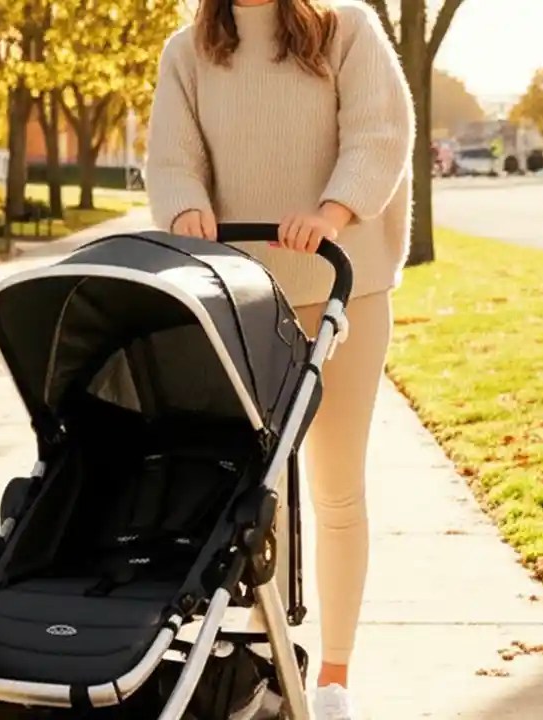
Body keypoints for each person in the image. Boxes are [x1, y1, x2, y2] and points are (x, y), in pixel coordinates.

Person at [144, 0, 415, 717]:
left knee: (335, 487)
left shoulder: (345, 29)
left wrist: (330, 215)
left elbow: (379, 135)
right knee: (256, 494)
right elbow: (171, 160)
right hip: (239, 297)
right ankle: (269, 664)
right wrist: (183, 212)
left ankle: (333, 677)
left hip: (339, 290)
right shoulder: (188, 52)